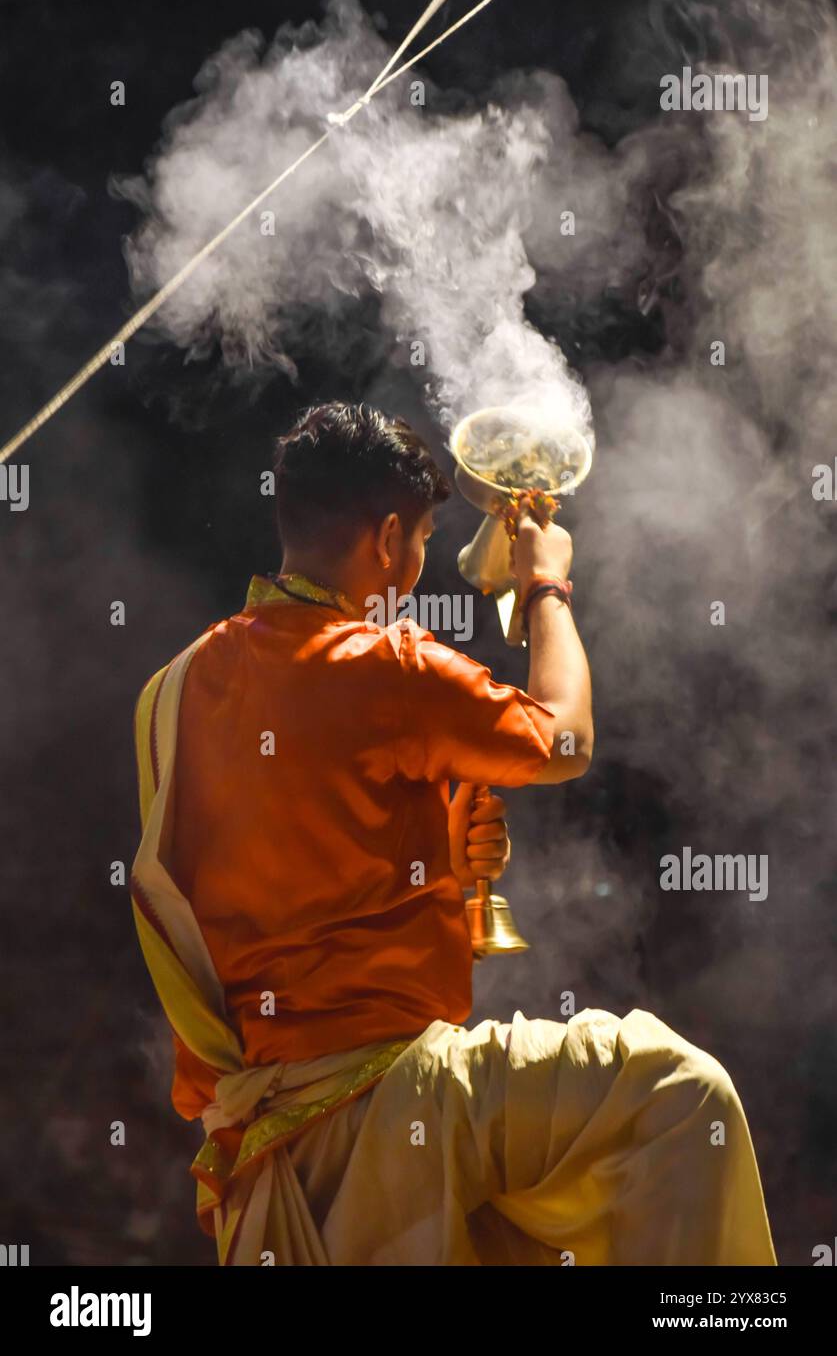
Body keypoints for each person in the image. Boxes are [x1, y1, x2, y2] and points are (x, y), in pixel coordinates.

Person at [131, 401, 776, 1266]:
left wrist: (436, 846)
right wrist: (545, 586)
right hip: (390, 1101)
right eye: (425, 539)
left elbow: (297, 860)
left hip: (266, 1133)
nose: (421, 561)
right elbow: (565, 739)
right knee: (679, 1091)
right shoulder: (386, 665)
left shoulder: (169, 695)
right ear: (390, 536)